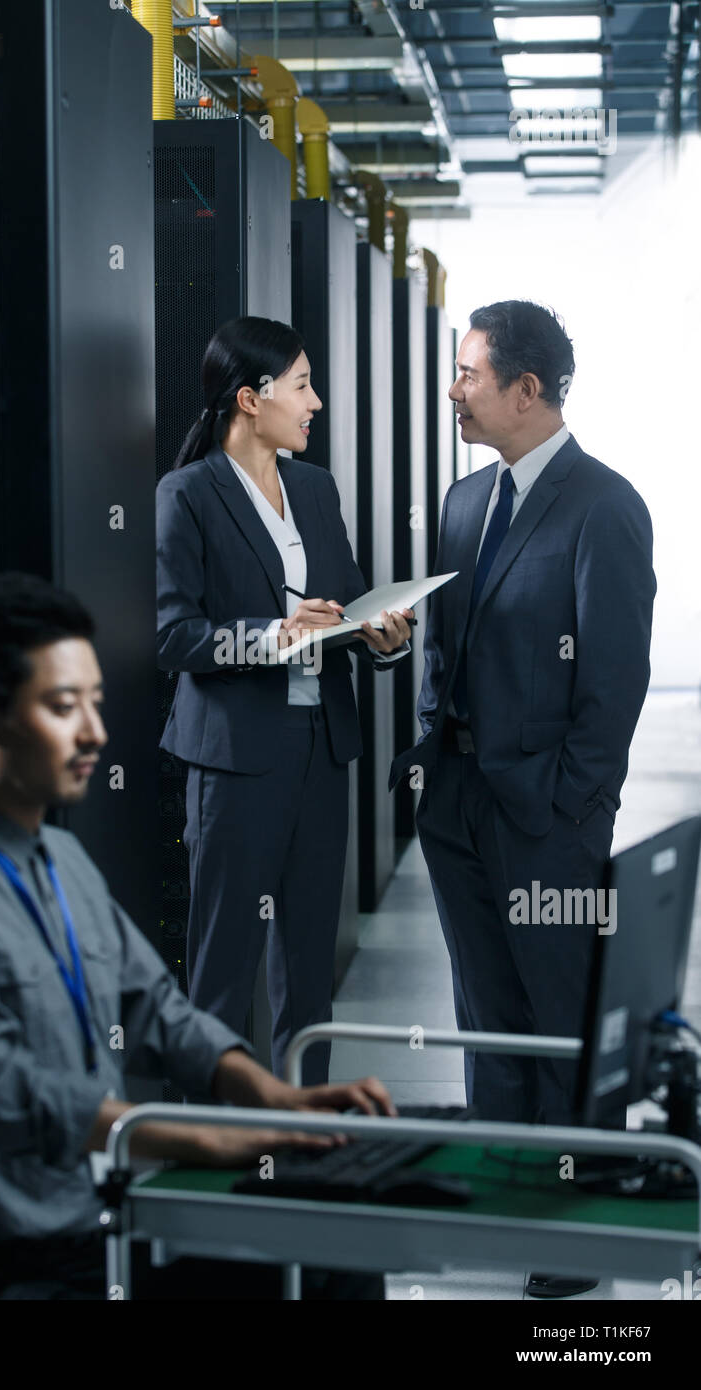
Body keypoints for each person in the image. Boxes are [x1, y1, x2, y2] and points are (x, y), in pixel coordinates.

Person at [0, 572, 394, 1300]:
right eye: (64, 707)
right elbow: (2, 1094)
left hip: (101, 1226)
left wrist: (277, 1101)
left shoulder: (61, 860)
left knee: (335, 1257)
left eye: (94, 701)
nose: (95, 731)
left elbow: (158, 1011)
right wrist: (212, 1140)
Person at [388, 301, 655, 1299]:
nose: (452, 390)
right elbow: (447, 647)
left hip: (546, 818)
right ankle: (510, 1190)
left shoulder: (602, 506)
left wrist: (569, 805)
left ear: (524, 388)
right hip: (456, 803)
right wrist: (427, 747)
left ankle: (575, 1232)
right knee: (487, 1014)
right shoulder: (463, 503)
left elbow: (613, 684)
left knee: (559, 1019)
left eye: (465, 373)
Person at [156, 316, 414, 1086]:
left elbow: (345, 607)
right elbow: (176, 639)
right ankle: (206, 1140)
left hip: (322, 752)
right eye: (302, 385)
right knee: (224, 964)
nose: (317, 403)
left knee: (307, 967)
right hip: (237, 759)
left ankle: (304, 1133)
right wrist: (274, 634)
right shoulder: (188, 494)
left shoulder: (315, 487)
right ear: (249, 398)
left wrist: (383, 636)